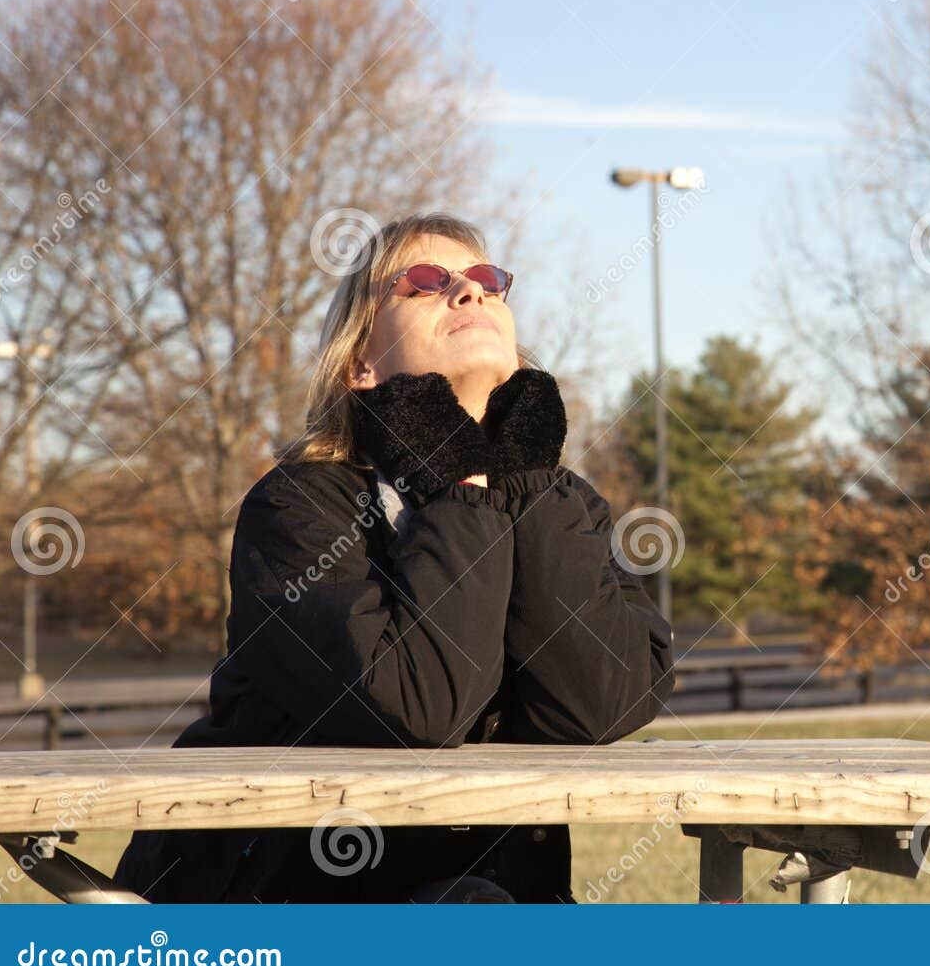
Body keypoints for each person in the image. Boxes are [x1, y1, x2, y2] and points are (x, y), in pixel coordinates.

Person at [110, 212, 675, 903]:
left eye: (488, 281)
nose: (469, 292)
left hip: (492, 906)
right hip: (283, 918)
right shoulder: (296, 510)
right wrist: (458, 471)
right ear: (361, 362)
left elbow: (609, 699)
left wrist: (521, 470)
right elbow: (420, 704)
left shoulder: (558, 500)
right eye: (425, 282)